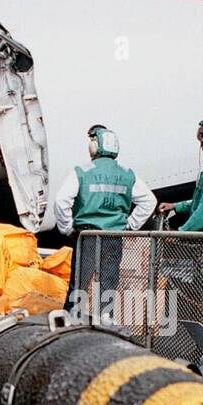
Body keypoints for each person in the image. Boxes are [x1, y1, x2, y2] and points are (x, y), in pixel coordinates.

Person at [54, 124, 156, 301]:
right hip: (113, 237)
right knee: (108, 285)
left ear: (95, 145)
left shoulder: (82, 172)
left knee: (79, 286)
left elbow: (61, 200)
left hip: (87, 236)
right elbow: (149, 201)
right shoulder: (127, 174)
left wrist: (67, 228)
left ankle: (74, 321)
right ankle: (105, 320)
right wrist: (130, 226)